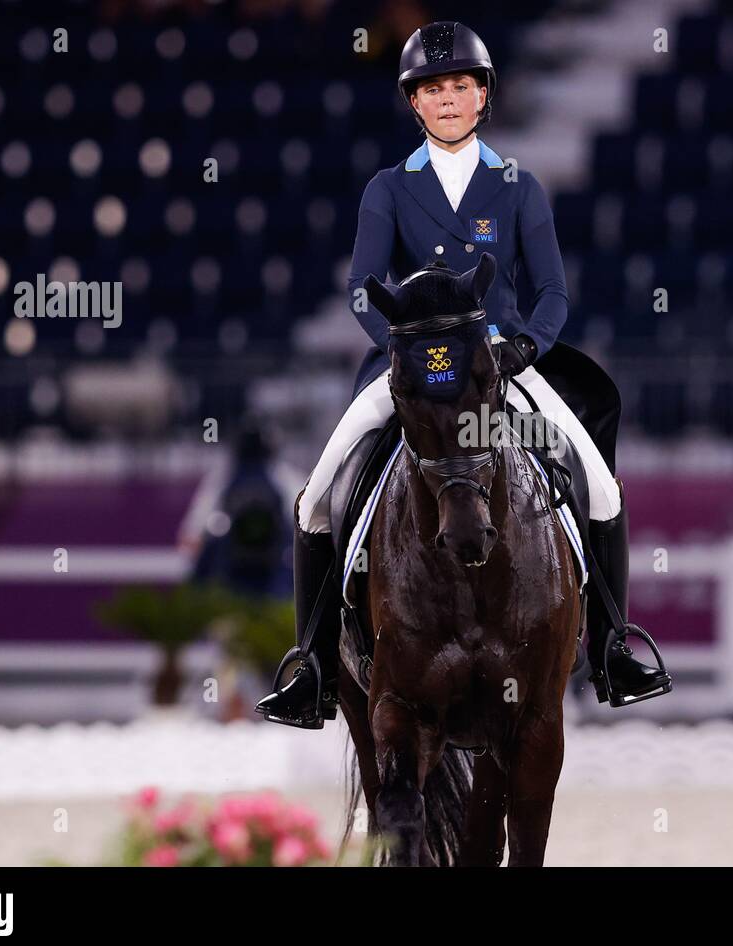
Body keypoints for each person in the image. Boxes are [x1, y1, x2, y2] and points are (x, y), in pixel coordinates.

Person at [257, 20, 672, 729]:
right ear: (413, 103)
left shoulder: (518, 187)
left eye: (460, 86)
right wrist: (397, 349)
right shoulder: (388, 189)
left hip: (500, 366)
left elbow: (553, 294)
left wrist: (524, 350)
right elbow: (362, 286)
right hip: (409, 372)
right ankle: (315, 668)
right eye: (432, 89)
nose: (447, 100)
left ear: (482, 96)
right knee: (315, 498)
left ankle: (613, 649)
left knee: (601, 486)